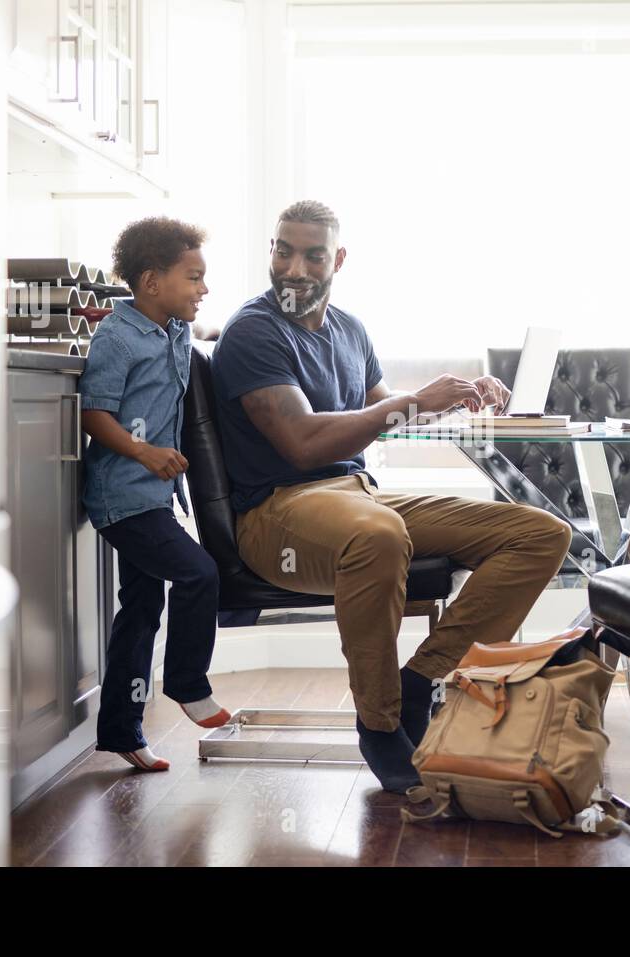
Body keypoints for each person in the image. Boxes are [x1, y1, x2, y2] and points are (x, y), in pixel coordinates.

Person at [210, 200, 573, 792]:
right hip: (276, 511)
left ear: (339, 260)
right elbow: (302, 443)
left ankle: (423, 679)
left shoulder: (349, 329)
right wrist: (410, 403)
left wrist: (455, 395)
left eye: (313, 254)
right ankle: (379, 725)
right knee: (380, 534)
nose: (295, 268)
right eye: (283, 250)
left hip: (355, 494)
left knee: (539, 533)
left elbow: (385, 408)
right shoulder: (253, 332)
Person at [78, 217, 232, 772]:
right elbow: (94, 413)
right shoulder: (117, 338)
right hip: (123, 498)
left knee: (141, 608)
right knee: (199, 573)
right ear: (150, 282)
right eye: (193, 278)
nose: (203, 289)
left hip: (155, 496)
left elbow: (190, 355)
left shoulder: (173, 330)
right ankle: (188, 682)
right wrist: (144, 452)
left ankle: (123, 731)